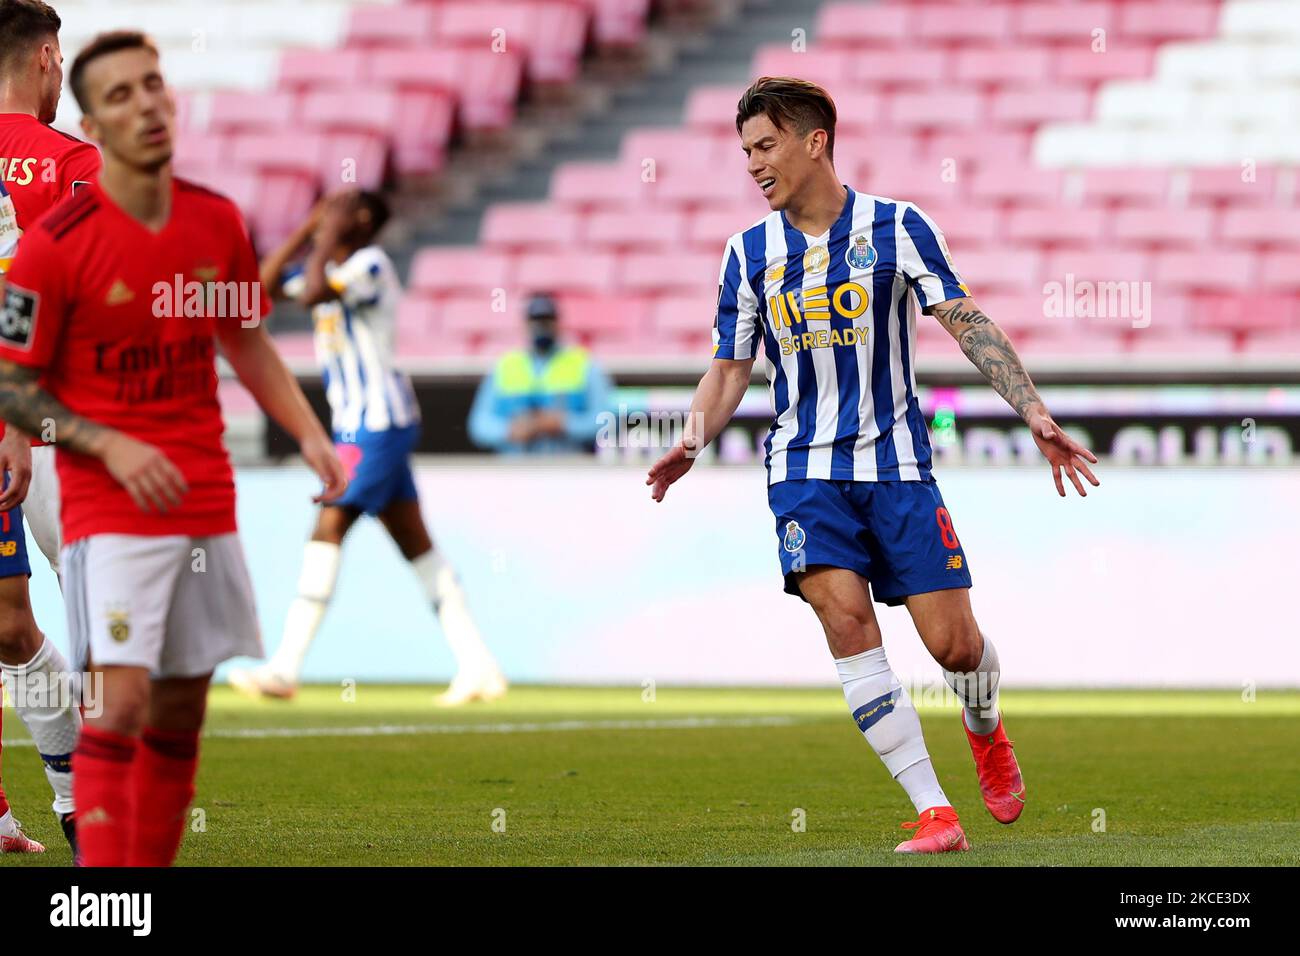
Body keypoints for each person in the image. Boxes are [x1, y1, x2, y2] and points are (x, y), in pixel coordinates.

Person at [646, 77, 1100, 854]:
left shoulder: (898, 227)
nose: (753, 165)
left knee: (955, 648)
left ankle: (985, 725)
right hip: (803, 472)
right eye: (746, 151)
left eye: (766, 146)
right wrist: (690, 443)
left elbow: (964, 318)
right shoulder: (748, 252)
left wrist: (1031, 409)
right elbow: (729, 368)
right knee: (846, 623)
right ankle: (935, 812)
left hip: (897, 468)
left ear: (814, 140)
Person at [0, 30, 347, 866]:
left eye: (153, 85)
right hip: (94, 479)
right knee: (114, 696)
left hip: (197, 492)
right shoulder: (57, 232)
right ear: (88, 119)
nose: (146, 105)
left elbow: (244, 335)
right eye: (120, 94)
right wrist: (35, 433)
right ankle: (97, 861)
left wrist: (310, 433)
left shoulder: (212, 220)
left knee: (175, 706)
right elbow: (19, 359)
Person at [227, 189, 506, 707]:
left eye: (338, 208)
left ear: (359, 219)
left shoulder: (370, 265)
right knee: (416, 544)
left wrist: (325, 234)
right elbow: (259, 290)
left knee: (329, 524)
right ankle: (480, 666)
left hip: (378, 425)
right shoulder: (329, 265)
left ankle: (285, 667)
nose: (327, 213)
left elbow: (313, 293)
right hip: (356, 428)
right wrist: (307, 228)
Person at [0, 0, 100, 857]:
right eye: (61, 60)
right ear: (45, 57)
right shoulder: (71, 163)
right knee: (29, 618)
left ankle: (91, 799)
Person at [468, 292, 613, 454]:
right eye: (535, 320)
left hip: (568, 464)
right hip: (514, 465)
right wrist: (510, 430)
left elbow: (605, 422)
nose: (541, 327)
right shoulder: (504, 367)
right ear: (525, 324)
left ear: (558, 323)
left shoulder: (585, 365)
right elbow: (479, 425)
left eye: (547, 320)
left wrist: (563, 424)